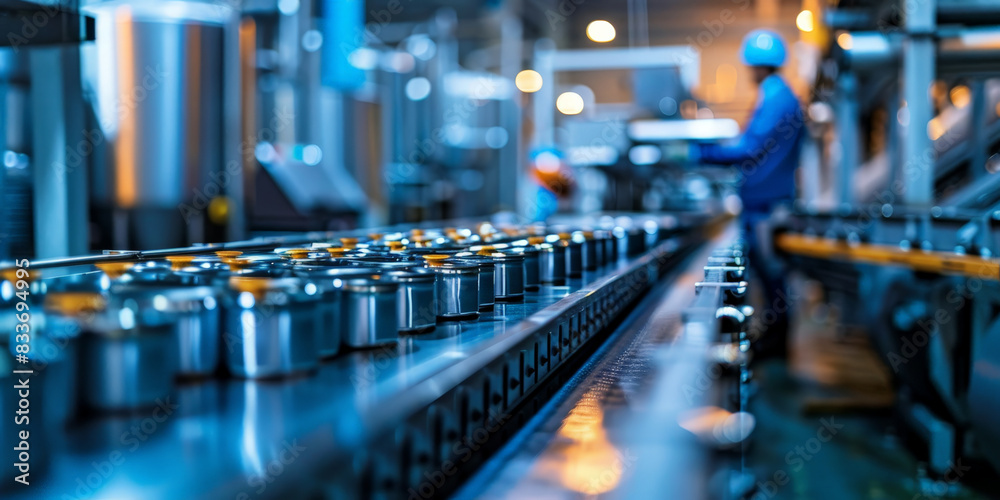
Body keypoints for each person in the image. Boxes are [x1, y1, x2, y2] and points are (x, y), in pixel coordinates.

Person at [693, 29, 804, 359]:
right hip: (766, 200)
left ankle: (777, 340)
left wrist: (700, 151)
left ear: (754, 66)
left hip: (766, 204)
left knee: (771, 272)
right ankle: (775, 336)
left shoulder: (775, 97)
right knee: (768, 272)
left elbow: (750, 147)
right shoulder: (779, 95)